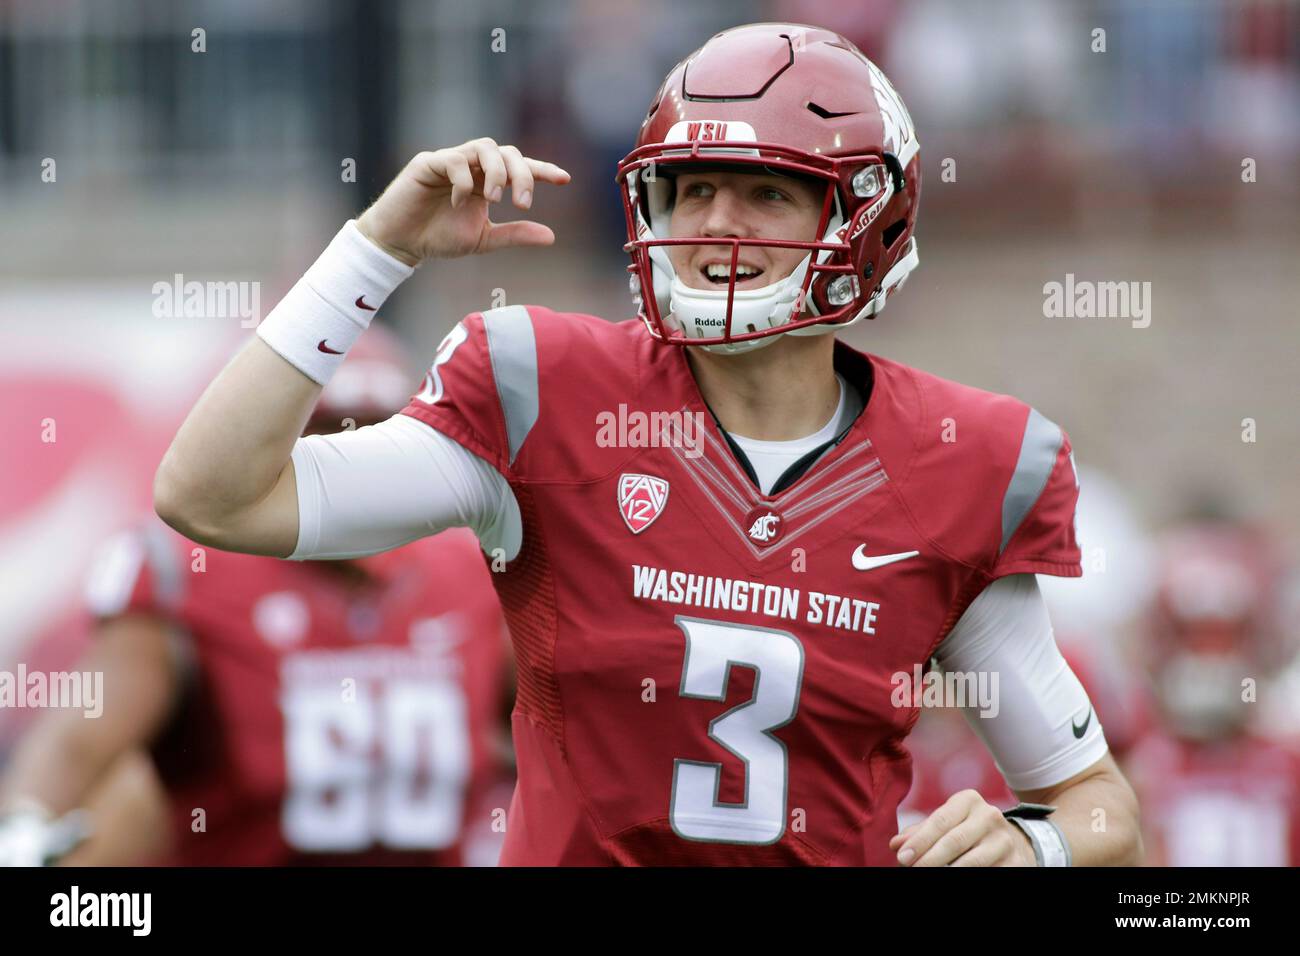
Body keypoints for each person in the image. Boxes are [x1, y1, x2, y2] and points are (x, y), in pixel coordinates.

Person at [153, 22, 1141, 866]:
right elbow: (215, 495)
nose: (716, 225)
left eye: (765, 192)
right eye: (693, 187)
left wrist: (1035, 842)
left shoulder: (961, 460)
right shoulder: (543, 390)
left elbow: (1097, 803)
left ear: (865, 217)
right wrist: (376, 247)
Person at [0, 328, 512, 866]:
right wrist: (25, 829)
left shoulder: (469, 571)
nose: (350, 457)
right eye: (320, 433)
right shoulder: (186, 574)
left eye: (373, 432)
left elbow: (564, 736)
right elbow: (79, 746)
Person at [1126, 520, 1300, 866]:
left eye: (1225, 638)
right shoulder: (1139, 761)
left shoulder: (1286, 763)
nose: (1209, 657)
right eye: (1193, 637)